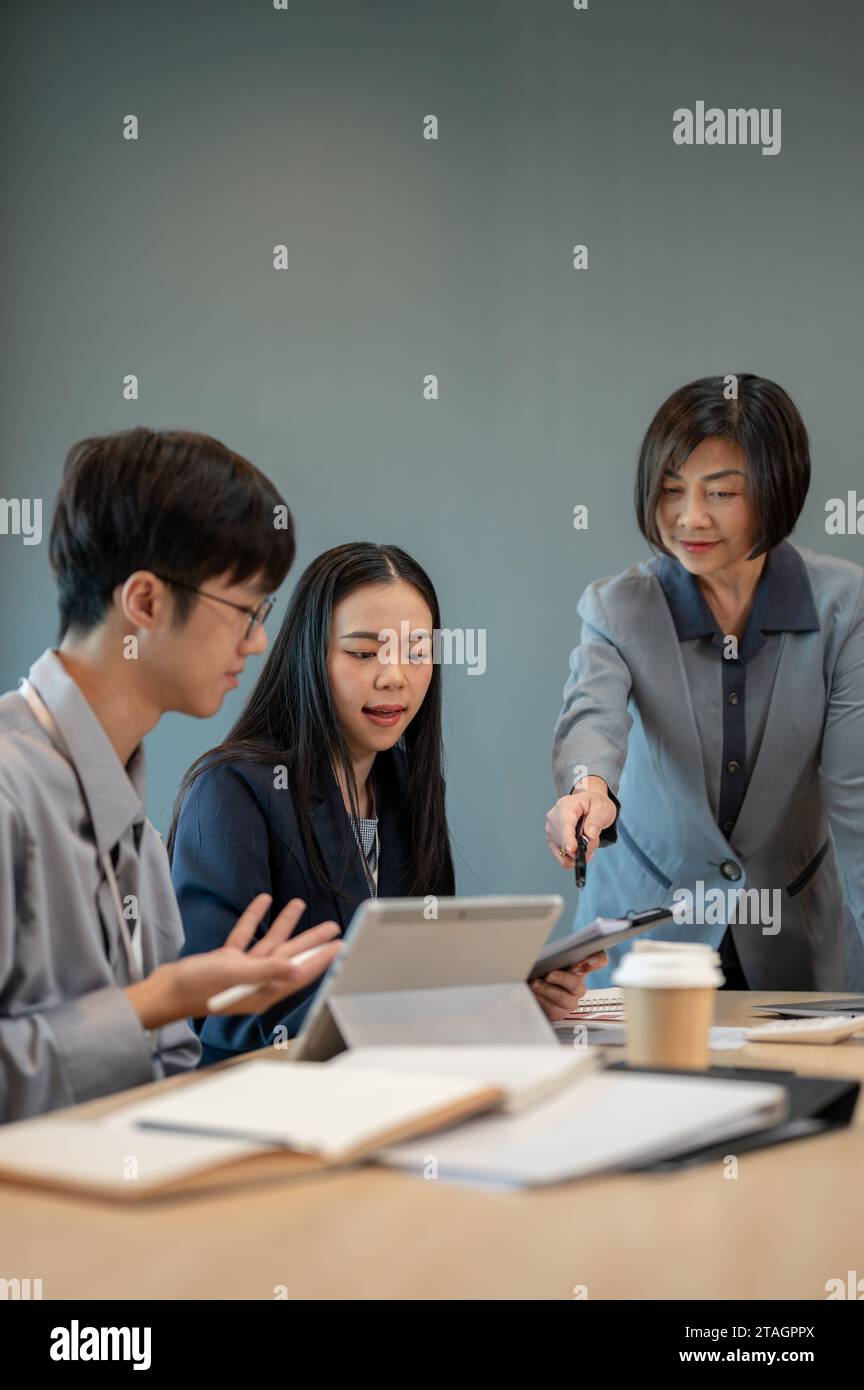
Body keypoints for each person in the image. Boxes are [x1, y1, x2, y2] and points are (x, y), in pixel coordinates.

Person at [0, 428, 341, 1123]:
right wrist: (163, 999)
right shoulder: (11, 790)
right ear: (147, 603)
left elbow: (168, 1071)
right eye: (245, 610)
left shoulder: (134, 821)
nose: (258, 640)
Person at [171, 542, 607, 1062]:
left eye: (416, 652)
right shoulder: (231, 790)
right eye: (362, 653)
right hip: (274, 1100)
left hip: (393, 1086)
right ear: (311, 654)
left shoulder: (405, 784)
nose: (394, 676)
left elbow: (428, 972)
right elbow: (217, 1009)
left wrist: (509, 997)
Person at [545, 374, 864, 992]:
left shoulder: (845, 608)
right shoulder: (618, 608)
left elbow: (857, 797)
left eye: (720, 493)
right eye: (671, 490)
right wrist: (588, 791)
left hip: (794, 946)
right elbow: (593, 716)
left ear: (776, 491)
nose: (689, 517)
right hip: (645, 945)